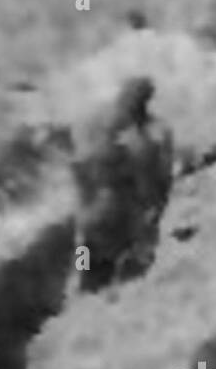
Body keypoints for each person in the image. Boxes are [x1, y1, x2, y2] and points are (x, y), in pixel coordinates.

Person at [70, 75, 174, 292]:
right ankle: (97, 285)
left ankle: (88, 286)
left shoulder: (98, 121)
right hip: (114, 203)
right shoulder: (145, 135)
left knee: (88, 248)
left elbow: (78, 164)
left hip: (105, 203)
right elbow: (154, 179)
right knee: (95, 249)